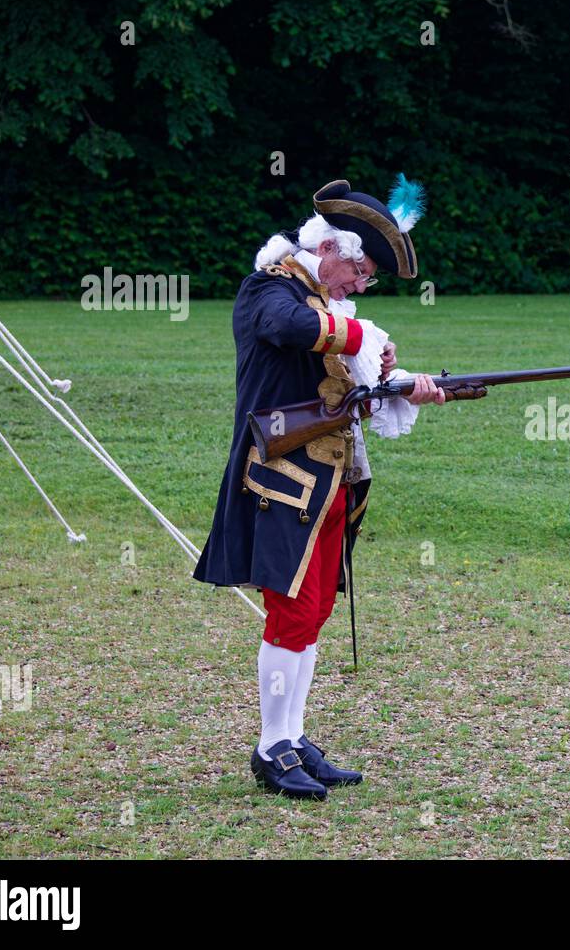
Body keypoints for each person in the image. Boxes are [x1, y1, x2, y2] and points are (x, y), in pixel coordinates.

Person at [194, 176, 444, 800]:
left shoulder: (325, 309)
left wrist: (403, 384)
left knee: (312, 613)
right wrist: (366, 338)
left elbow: (343, 396)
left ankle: (293, 736)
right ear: (329, 250)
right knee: (290, 614)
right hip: (280, 481)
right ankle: (271, 748)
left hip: (330, 480)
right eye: (361, 272)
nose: (362, 285)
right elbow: (292, 327)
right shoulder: (269, 289)